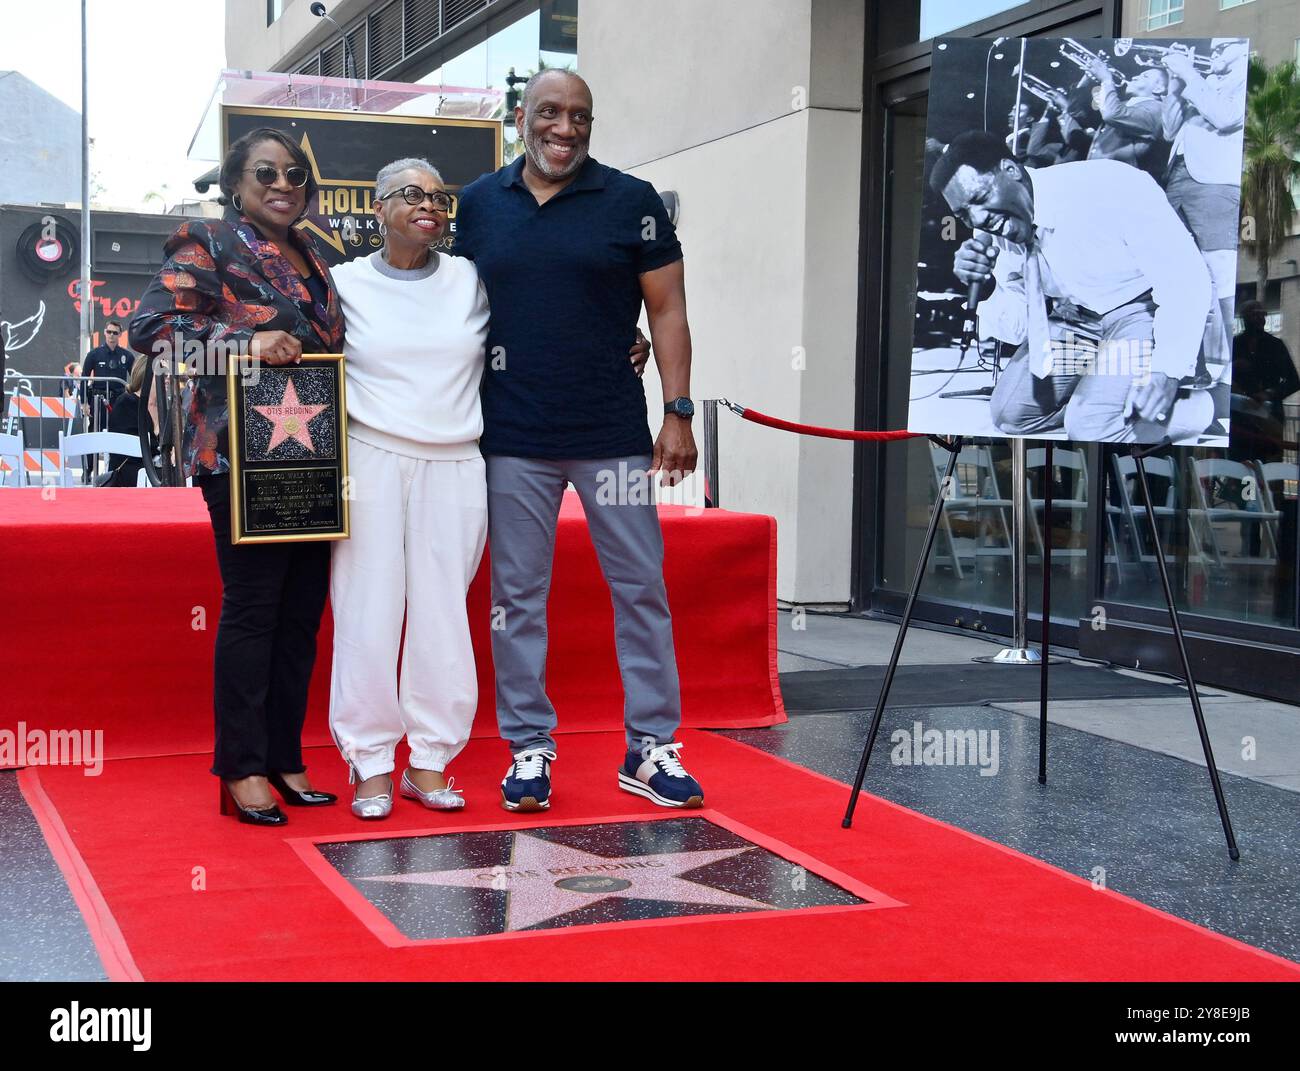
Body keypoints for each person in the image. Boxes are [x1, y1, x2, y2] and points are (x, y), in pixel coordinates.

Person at [455, 69, 705, 812]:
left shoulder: (631, 202)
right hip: (512, 437)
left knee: (641, 589)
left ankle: (651, 746)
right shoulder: (476, 205)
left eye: (581, 118)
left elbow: (667, 312)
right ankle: (528, 746)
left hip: (611, 433)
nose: (566, 129)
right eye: (551, 114)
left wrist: (679, 410)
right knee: (516, 598)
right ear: (521, 117)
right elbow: (449, 306)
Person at [129, 127, 345, 826]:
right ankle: (241, 766)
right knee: (255, 606)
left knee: (303, 609)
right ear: (235, 185)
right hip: (238, 455)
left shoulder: (314, 255)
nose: (284, 184)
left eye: (294, 173)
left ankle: (284, 756)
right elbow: (153, 331)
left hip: (310, 454)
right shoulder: (207, 241)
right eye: (266, 173)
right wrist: (244, 340)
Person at [326, 158, 490, 820]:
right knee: (366, 610)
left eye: (438, 194)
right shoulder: (341, 282)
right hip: (369, 457)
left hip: (456, 459)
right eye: (411, 193)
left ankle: (430, 761)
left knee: (442, 614)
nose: (429, 204)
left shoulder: (471, 278)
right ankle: (369, 763)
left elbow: (544, 322)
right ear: (377, 207)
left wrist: (622, 336)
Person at [932, 131, 1213, 443]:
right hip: (1079, 324)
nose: (978, 219)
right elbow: (1020, 328)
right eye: (964, 215)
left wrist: (1166, 372)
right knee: (1009, 416)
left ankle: (1196, 409)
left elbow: (1185, 280)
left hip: (1140, 312)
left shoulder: (1108, 185)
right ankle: (1106, 402)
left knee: (1088, 427)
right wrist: (986, 291)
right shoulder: (998, 231)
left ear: (1010, 170)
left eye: (981, 199)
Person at [1161, 39, 1249, 375]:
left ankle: (1236, 376)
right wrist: (1174, 85)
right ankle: (1190, 368)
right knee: (1179, 274)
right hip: (1178, 178)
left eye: (1222, 48)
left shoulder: (1245, 73)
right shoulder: (1205, 80)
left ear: (1241, 50)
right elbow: (1170, 130)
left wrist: (1187, 71)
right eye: (1211, 49)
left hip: (1213, 181)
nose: (1213, 53)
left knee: (1222, 274)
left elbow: (1226, 117)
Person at [1230, 301, 1300, 465]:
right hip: (1240, 420)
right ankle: (1245, 491)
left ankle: (1268, 491)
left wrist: (1268, 393)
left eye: (1262, 314)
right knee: (1241, 470)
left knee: (1269, 470)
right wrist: (1233, 367)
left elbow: (1294, 381)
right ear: (1244, 318)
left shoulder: (1276, 346)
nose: (1259, 318)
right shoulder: (1235, 344)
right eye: (1253, 314)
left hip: (1269, 418)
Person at [102, 353, 151, 486]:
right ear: (146, 374)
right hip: (130, 472)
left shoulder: (168, 407)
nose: (168, 378)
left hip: (155, 471)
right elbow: (128, 451)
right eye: (162, 373)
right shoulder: (126, 403)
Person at [80, 320, 134, 429]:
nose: (111, 335)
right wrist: (84, 402)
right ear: (105, 332)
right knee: (96, 429)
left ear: (120, 334)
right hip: (99, 399)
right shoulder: (94, 354)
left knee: (119, 430)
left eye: (115, 333)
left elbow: (136, 377)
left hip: (119, 400)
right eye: (109, 332)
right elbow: (84, 378)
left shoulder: (127, 356)